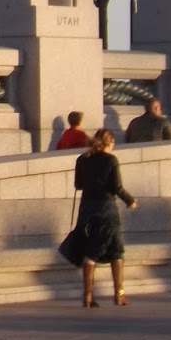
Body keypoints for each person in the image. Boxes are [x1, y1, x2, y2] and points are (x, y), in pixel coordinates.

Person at [58, 129, 138, 309]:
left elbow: (78, 184)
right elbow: (117, 186)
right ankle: (119, 294)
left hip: (87, 208)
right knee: (116, 250)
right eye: (113, 142)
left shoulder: (82, 159)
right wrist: (130, 201)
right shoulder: (111, 160)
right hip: (106, 208)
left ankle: (88, 295)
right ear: (109, 142)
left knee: (91, 249)